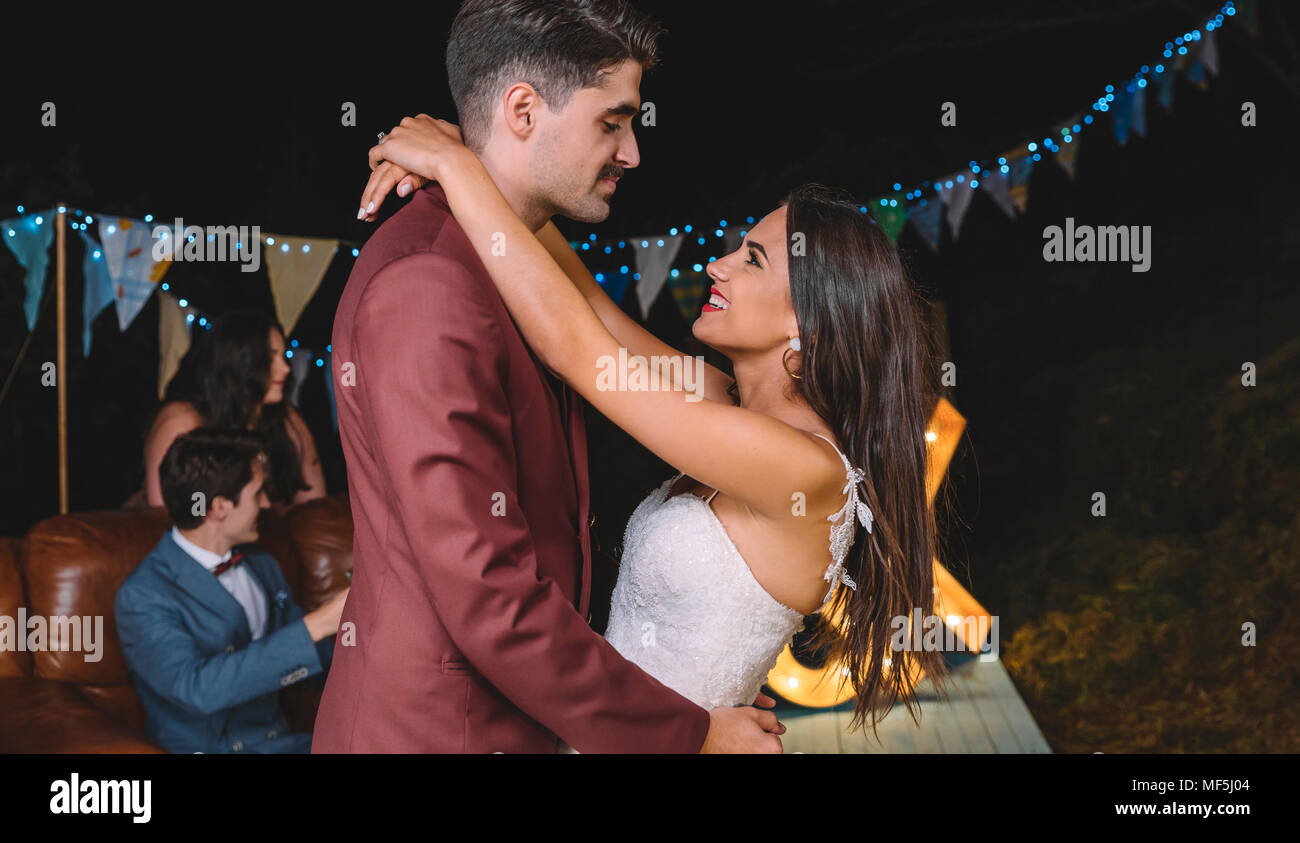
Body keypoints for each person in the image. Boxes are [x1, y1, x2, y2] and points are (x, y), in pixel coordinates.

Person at [358, 117, 953, 743]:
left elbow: (580, 353)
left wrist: (457, 169)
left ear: (809, 323)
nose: (718, 267)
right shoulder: (725, 400)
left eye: (751, 261)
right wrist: (486, 162)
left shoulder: (804, 467)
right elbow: (589, 307)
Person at [314, 0, 782, 754]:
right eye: (612, 121)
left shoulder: (513, 263)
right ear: (524, 110)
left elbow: (585, 338)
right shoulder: (429, 284)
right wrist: (688, 733)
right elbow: (491, 597)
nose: (633, 152)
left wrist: (461, 159)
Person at [115, 429, 349, 754]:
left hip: (286, 745)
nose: (267, 504)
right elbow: (197, 690)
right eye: (257, 493)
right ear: (219, 508)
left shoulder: (262, 566)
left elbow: (321, 658)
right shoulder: (142, 595)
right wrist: (317, 625)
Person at [129, 309, 325, 509]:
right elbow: (162, 513)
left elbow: (315, 503)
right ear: (236, 361)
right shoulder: (181, 421)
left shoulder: (286, 420)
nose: (286, 368)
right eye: (269, 358)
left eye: (284, 356)